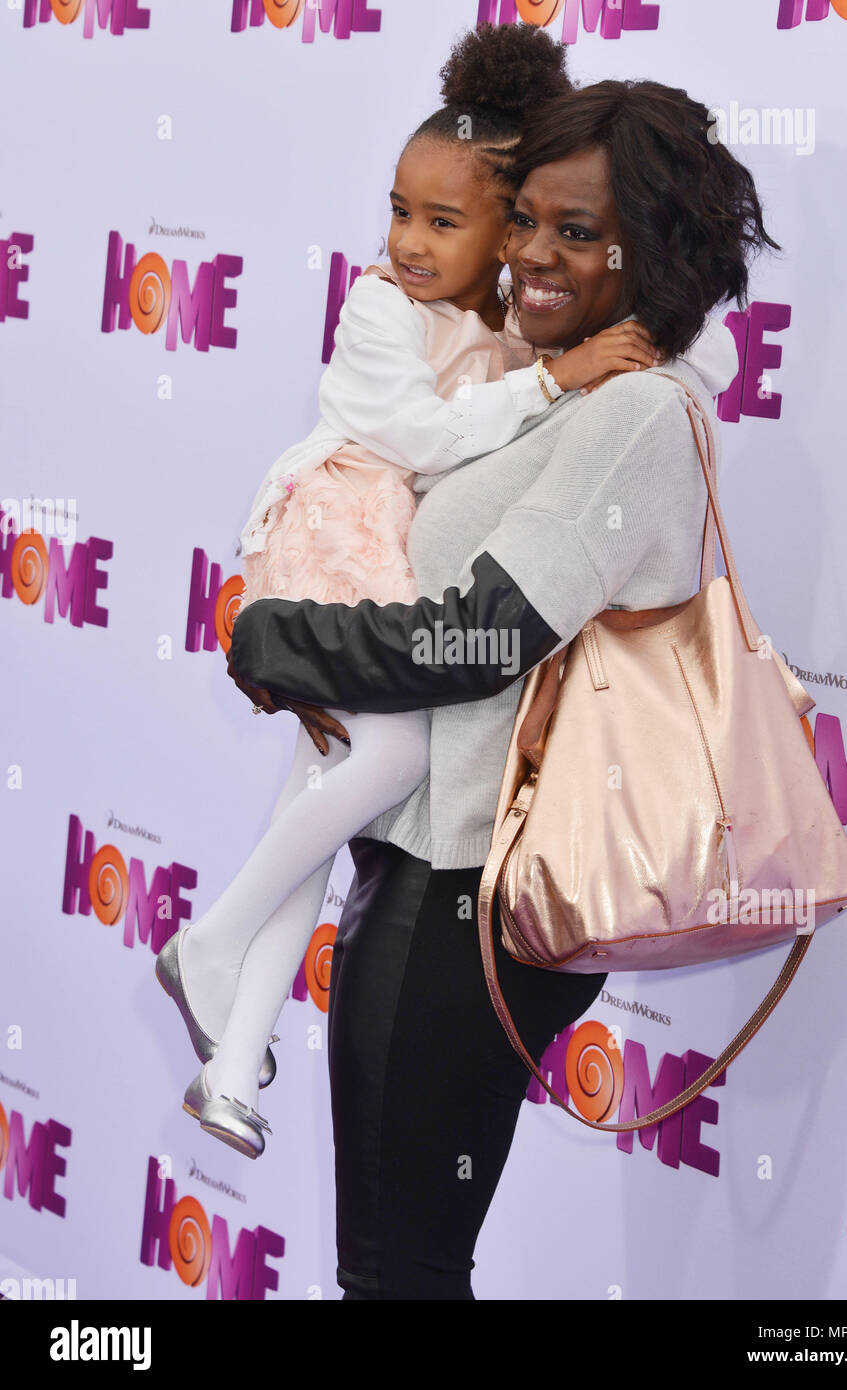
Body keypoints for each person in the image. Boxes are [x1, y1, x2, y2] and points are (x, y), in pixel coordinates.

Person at [228, 74, 777, 1298]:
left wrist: (275, 642)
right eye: (522, 217)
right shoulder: (550, 378)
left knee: (396, 1272)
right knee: (400, 1265)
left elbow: (480, 640)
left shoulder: (632, 413)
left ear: (653, 252)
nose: (527, 252)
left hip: (465, 896)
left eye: (575, 232)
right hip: (436, 870)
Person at [155, 25, 666, 1159]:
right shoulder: (383, 305)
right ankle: (213, 942)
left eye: (444, 221)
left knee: (320, 792)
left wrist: (556, 368)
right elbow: (421, 441)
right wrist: (549, 384)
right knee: (384, 757)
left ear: (504, 231)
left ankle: (233, 1063)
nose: (407, 240)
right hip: (336, 528)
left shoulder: (510, 330)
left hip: (389, 553)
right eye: (399, 211)